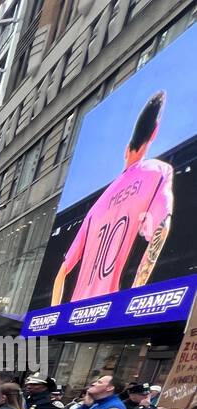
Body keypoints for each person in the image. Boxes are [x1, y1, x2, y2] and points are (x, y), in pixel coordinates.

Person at [52, 92, 172, 305]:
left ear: (126, 149)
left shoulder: (97, 207)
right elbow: (161, 228)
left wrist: (56, 316)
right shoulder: (157, 172)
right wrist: (134, 299)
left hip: (77, 315)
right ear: (154, 133)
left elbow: (62, 272)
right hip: (110, 311)